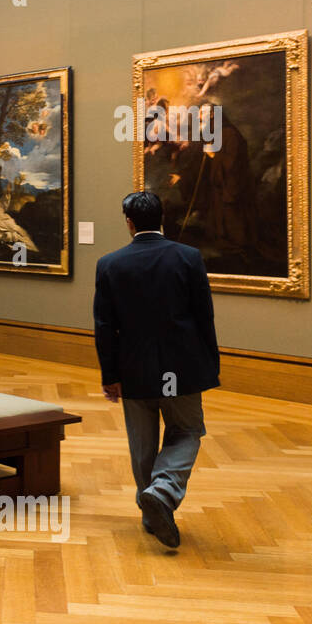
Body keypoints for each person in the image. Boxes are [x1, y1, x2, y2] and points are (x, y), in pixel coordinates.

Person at [94, 191, 220, 549]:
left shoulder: (110, 264)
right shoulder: (189, 258)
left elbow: (105, 326)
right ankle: (163, 492)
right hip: (181, 367)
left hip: (135, 369)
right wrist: (210, 364)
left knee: (142, 445)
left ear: (129, 222)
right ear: (162, 218)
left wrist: (110, 375)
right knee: (187, 430)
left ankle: (152, 512)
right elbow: (203, 316)